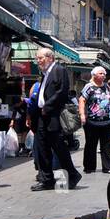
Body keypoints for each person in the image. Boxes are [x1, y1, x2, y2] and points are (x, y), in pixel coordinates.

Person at [31, 46, 82, 192]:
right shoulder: (45, 73)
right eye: (37, 58)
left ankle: (72, 174)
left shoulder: (59, 70)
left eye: (40, 58)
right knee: (42, 147)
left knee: (58, 146)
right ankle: (46, 179)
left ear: (50, 58)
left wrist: (48, 106)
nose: (38, 61)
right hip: (42, 115)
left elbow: (62, 92)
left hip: (53, 114)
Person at [79, 66, 110, 175]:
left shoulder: (106, 87)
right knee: (91, 144)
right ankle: (89, 167)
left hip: (107, 121)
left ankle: (107, 167)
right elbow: (82, 100)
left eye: (104, 74)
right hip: (92, 121)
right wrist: (82, 114)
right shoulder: (89, 87)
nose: (103, 75)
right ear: (94, 75)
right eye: (101, 73)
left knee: (106, 145)